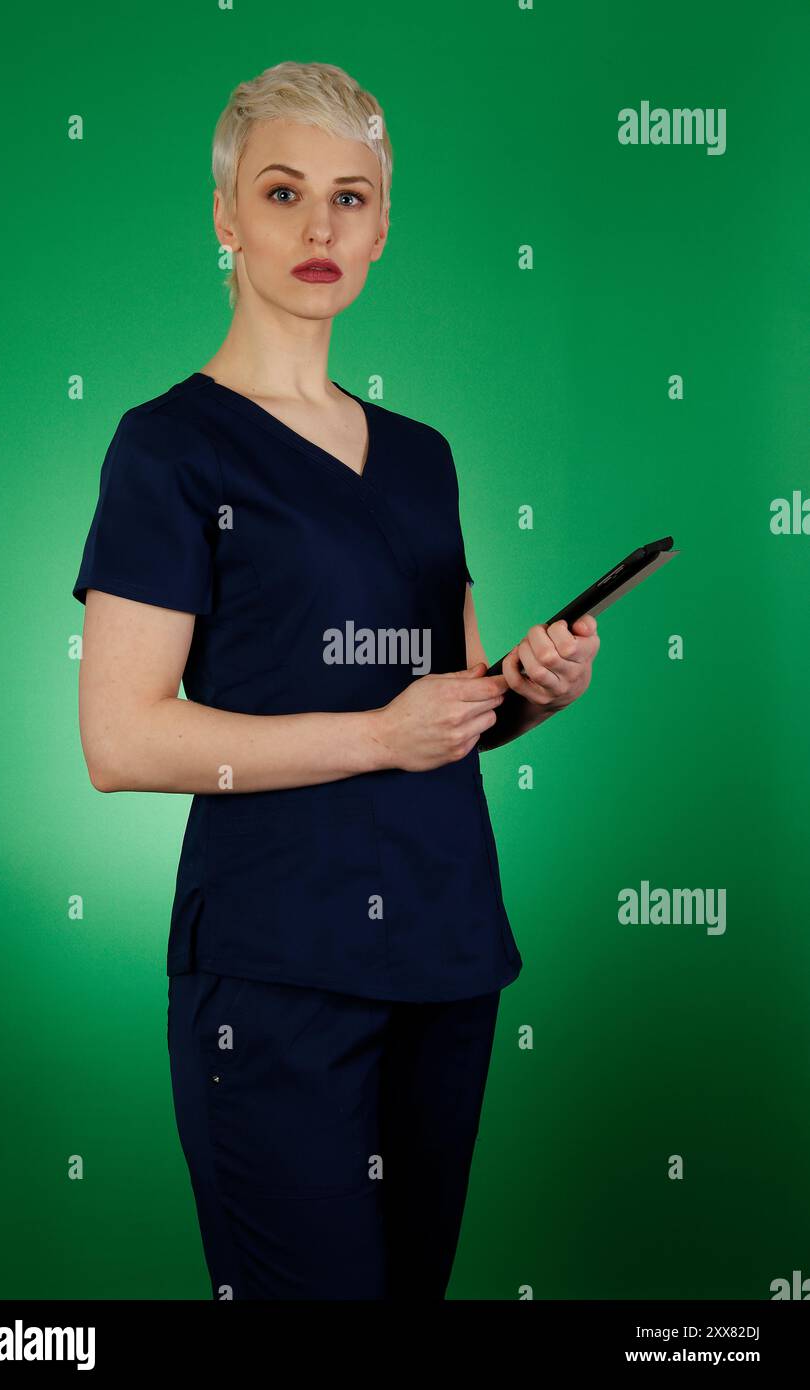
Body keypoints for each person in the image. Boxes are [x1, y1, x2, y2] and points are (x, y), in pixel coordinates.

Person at [72, 60, 599, 1301]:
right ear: (225, 216)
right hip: (272, 972)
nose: (320, 228)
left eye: (351, 198)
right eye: (282, 191)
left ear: (382, 225)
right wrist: (376, 734)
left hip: (445, 950)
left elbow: (449, 709)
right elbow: (122, 740)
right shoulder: (170, 445)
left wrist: (529, 689)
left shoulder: (421, 456)